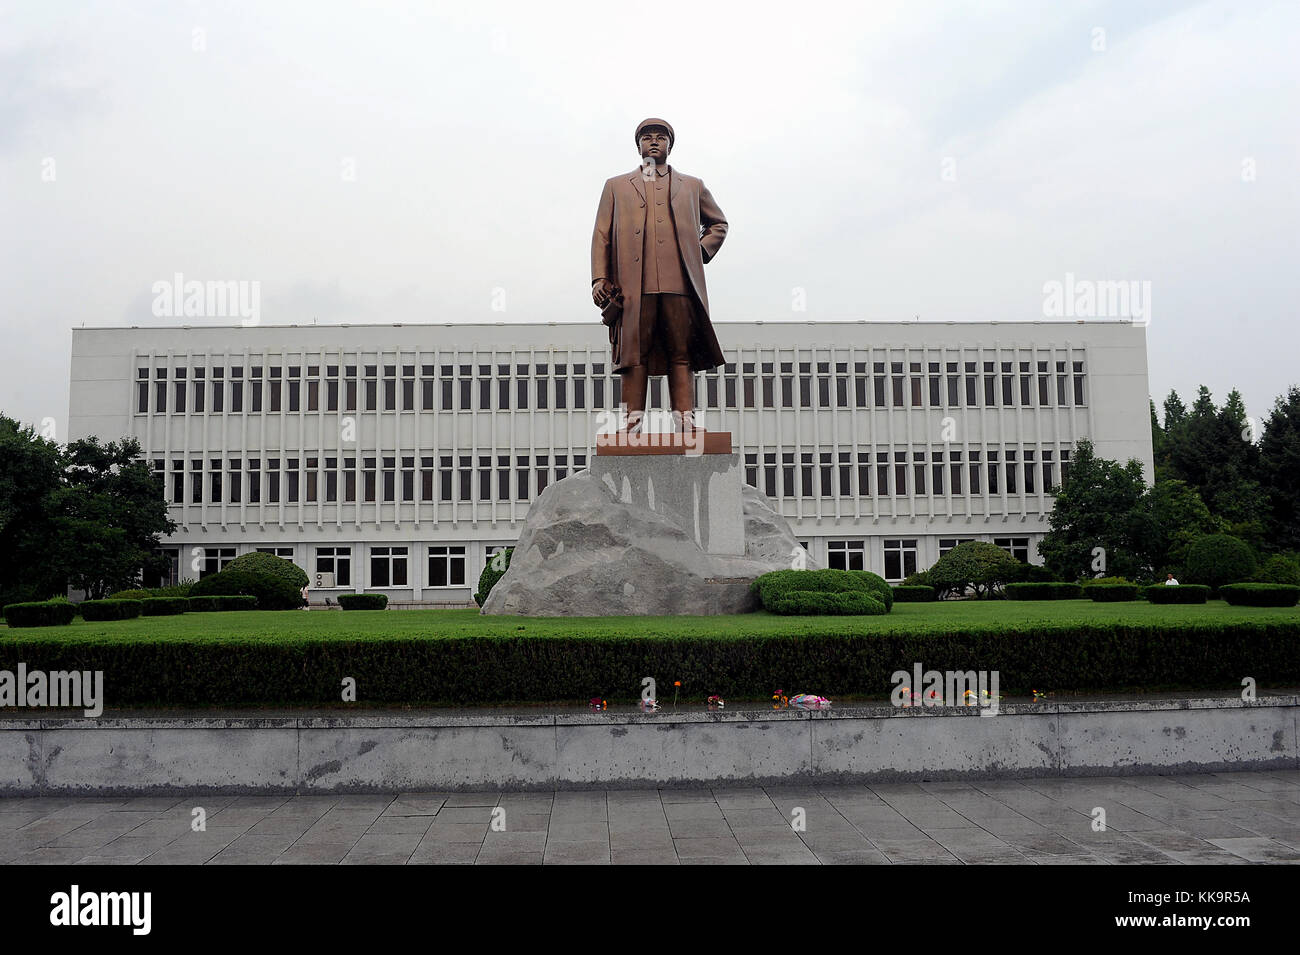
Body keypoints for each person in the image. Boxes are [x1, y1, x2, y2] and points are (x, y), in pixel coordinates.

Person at [591, 118, 728, 434]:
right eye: (647, 138)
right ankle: (631, 423)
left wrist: (699, 252)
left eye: (660, 137)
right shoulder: (616, 186)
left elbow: (718, 224)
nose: (654, 142)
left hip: (679, 283)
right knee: (633, 354)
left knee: (681, 353)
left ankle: (685, 420)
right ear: (638, 145)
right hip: (633, 287)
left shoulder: (692, 186)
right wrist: (600, 278)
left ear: (670, 144)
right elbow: (601, 234)